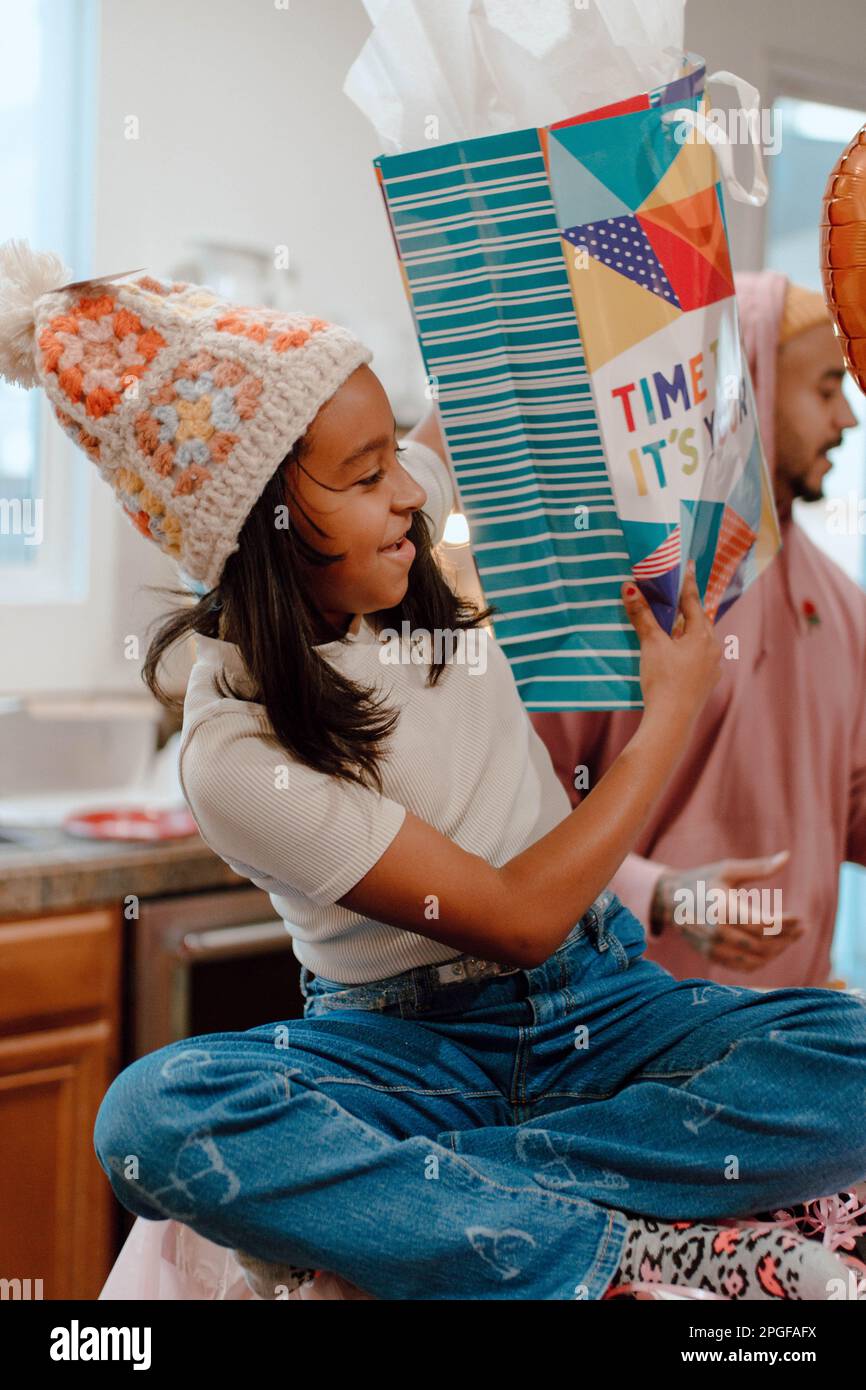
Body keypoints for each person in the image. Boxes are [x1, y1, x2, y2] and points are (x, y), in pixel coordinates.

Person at [3, 240, 865, 1301]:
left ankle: (439, 1200)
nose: (409, 490)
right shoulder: (234, 753)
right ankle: (616, 1249)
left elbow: (505, 357)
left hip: (596, 1004)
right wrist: (673, 704)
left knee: (850, 1054)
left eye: (394, 457)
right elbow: (514, 916)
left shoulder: (407, 542)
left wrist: (591, 236)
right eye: (364, 476)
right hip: (402, 1056)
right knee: (150, 1117)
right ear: (259, 525)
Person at [532, 273, 866, 989]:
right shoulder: (635, 578)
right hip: (627, 1031)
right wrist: (656, 893)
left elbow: (855, 800)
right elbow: (521, 811)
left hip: (795, 1027)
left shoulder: (842, 601)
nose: (850, 418)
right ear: (751, 387)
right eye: (826, 387)